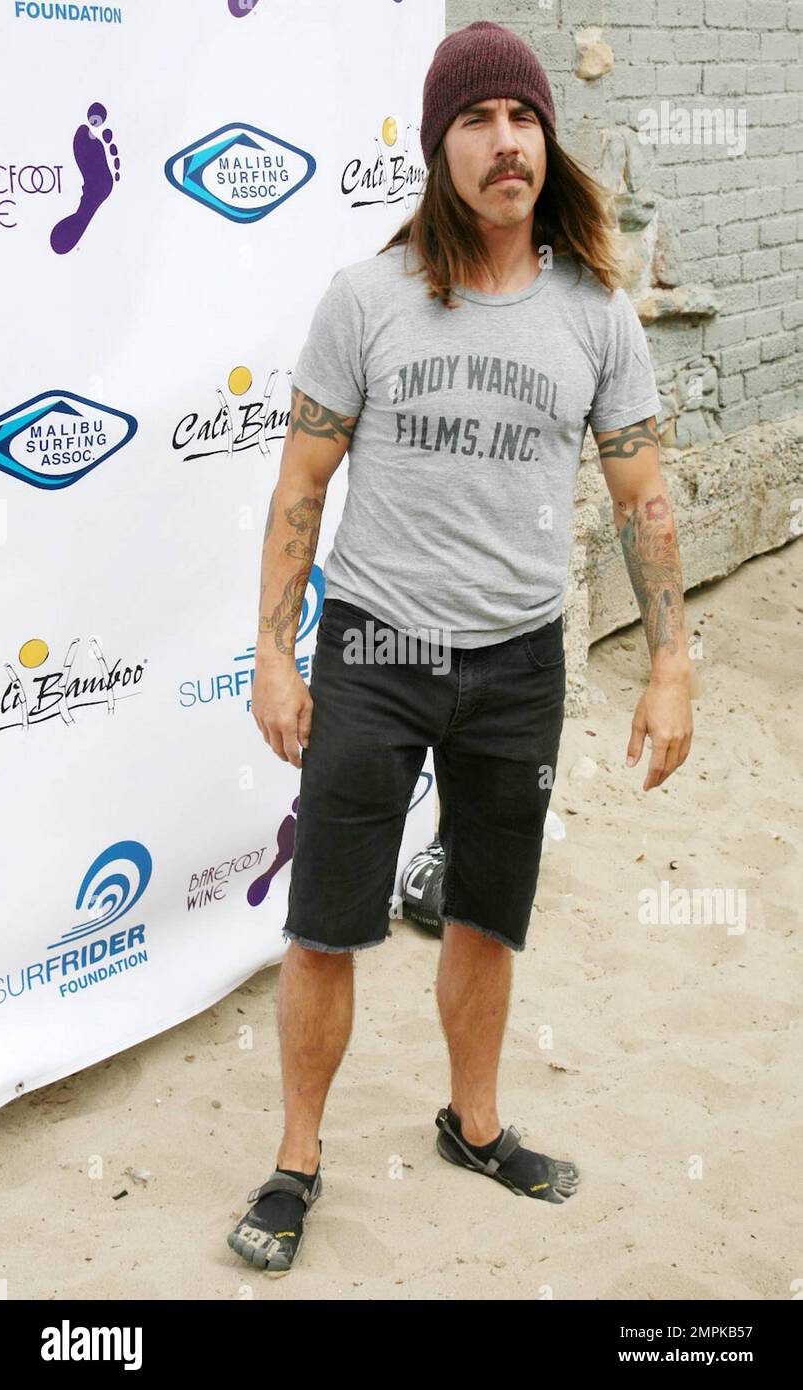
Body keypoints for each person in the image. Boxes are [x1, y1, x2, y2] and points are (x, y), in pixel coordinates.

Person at [227, 20, 693, 1274]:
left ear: (548, 140)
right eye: (477, 121)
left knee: (487, 912)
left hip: (515, 664)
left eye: (524, 119)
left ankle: (471, 1122)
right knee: (327, 923)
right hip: (373, 652)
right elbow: (299, 486)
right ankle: (297, 1157)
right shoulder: (365, 299)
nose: (505, 144)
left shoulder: (595, 311)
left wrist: (667, 662)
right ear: (438, 147)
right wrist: (275, 652)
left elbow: (644, 497)